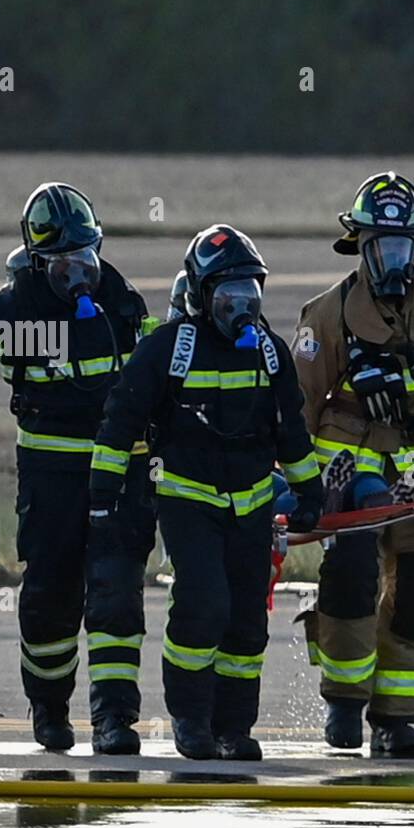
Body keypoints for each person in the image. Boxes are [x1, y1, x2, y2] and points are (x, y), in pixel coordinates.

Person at [0, 183, 158, 754]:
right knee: (50, 597)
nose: (81, 273)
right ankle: (49, 710)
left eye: (87, 257)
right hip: (52, 483)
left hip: (121, 475)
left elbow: (158, 364)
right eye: (67, 262)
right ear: (40, 260)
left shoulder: (120, 300)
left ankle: (117, 720)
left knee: (117, 595)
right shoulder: (18, 308)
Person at [88, 224, 323, 760]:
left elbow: (292, 430)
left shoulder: (270, 353)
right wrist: (103, 493)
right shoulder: (169, 349)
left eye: (250, 294)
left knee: (246, 619)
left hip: (254, 503)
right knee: (202, 604)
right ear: (201, 295)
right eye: (228, 295)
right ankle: (191, 721)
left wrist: (310, 492)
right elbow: (120, 420)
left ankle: (233, 728)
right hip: (189, 500)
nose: (240, 307)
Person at [292, 172, 414, 757]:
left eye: (402, 247)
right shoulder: (326, 315)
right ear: (360, 246)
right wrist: (295, 488)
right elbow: (298, 408)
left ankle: (396, 716)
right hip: (346, 483)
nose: (392, 259)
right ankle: (343, 702)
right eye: (381, 246)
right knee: (351, 579)